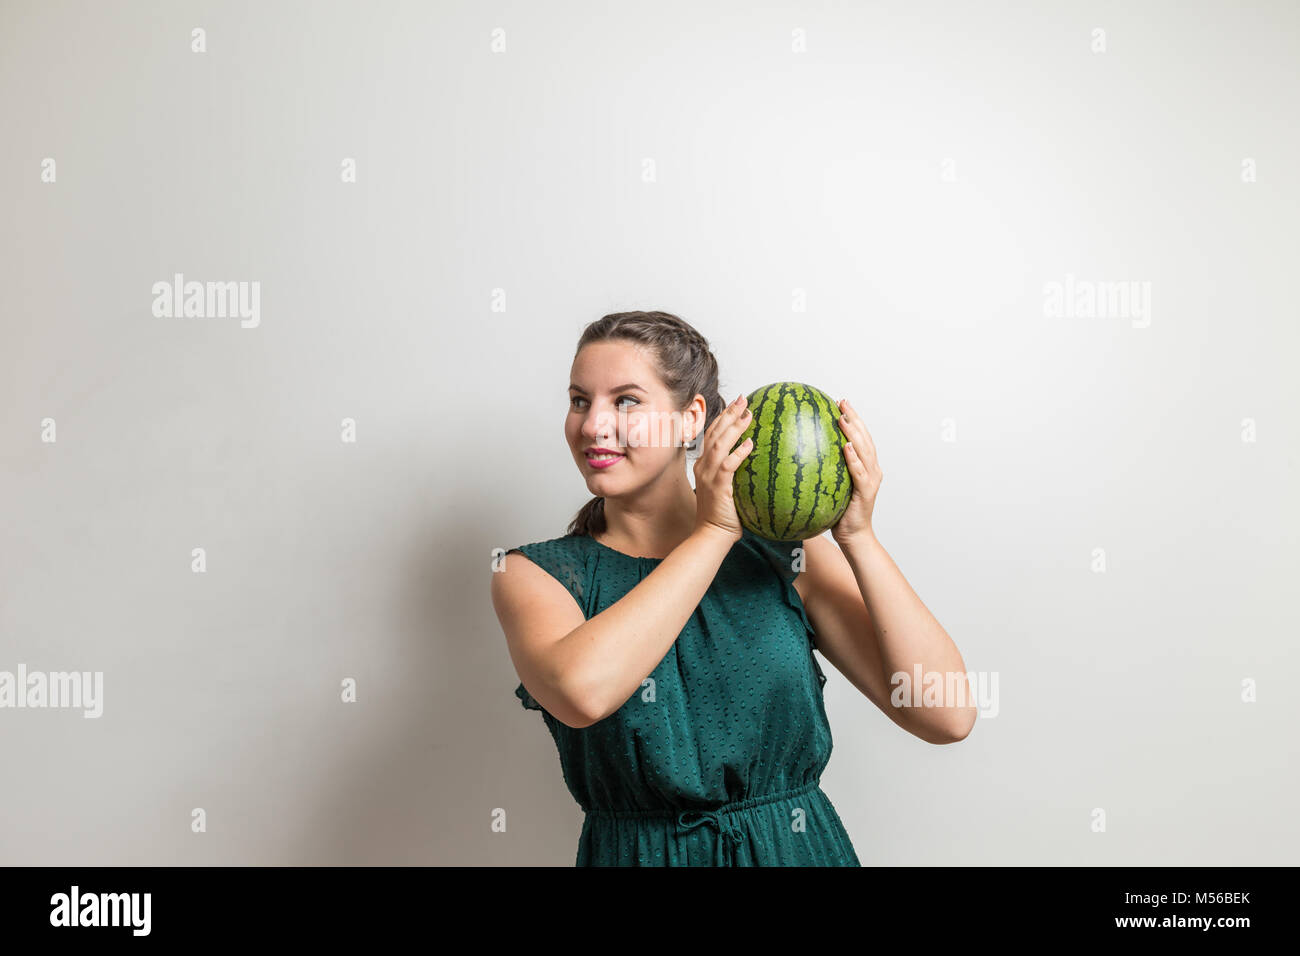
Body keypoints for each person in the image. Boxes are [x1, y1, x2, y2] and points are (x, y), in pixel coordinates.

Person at [491, 310, 975, 865]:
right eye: (580, 400)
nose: (593, 425)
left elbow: (946, 714)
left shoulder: (782, 552)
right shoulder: (533, 574)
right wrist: (715, 532)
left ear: (692, 418)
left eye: (626, 401)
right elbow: (582, 694)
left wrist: (858, 537)